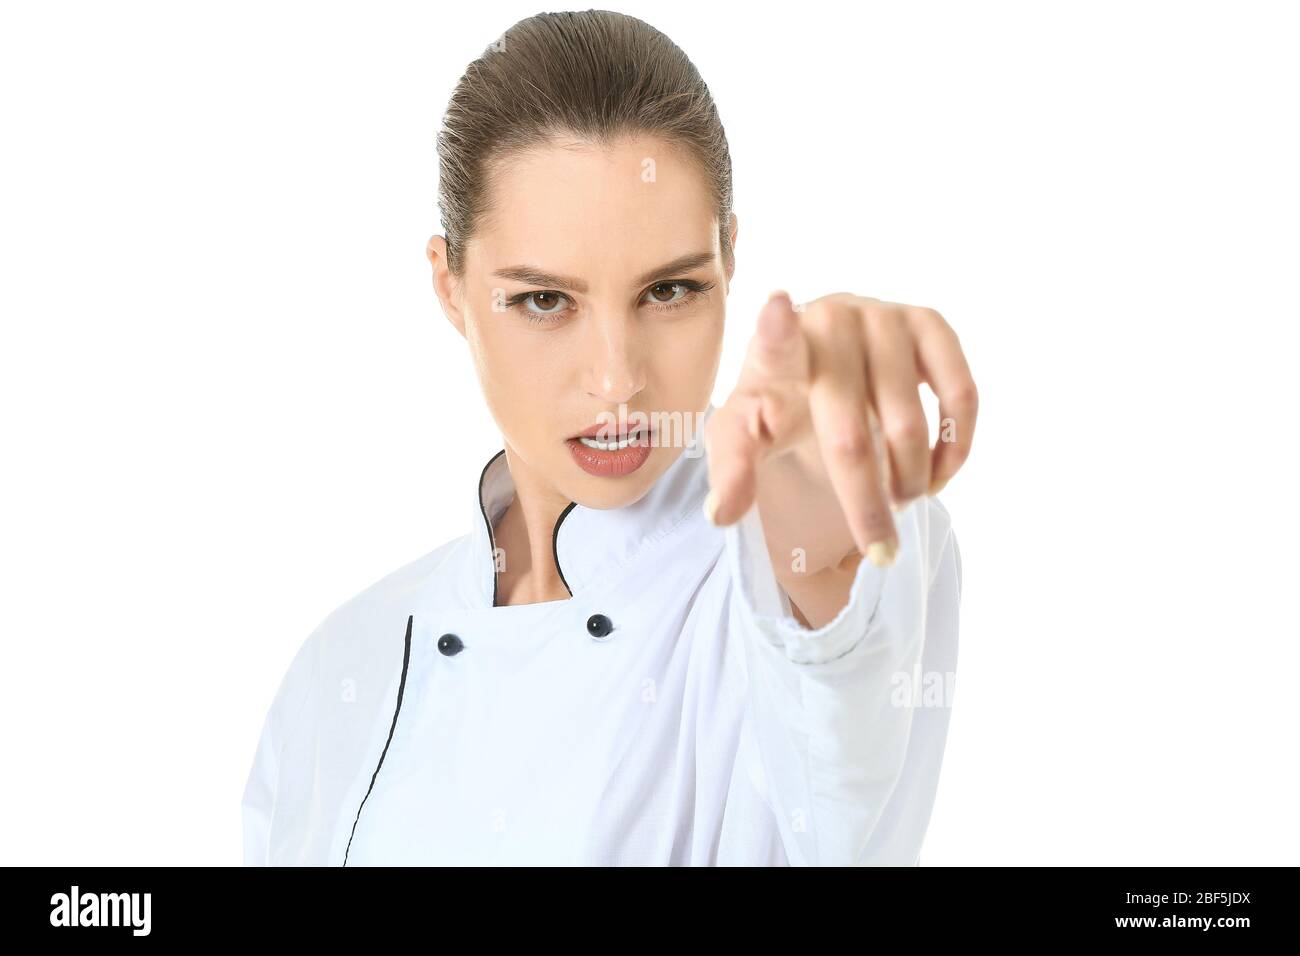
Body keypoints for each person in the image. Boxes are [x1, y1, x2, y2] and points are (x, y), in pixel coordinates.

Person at [241, 9, 977, 866]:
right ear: (450, 288)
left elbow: (836, 619)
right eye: (545, 301)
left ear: (729, 260)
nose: (617, 379)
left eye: (669, 291)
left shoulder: (767, 571)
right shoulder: (345, 661)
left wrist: (829, 452)